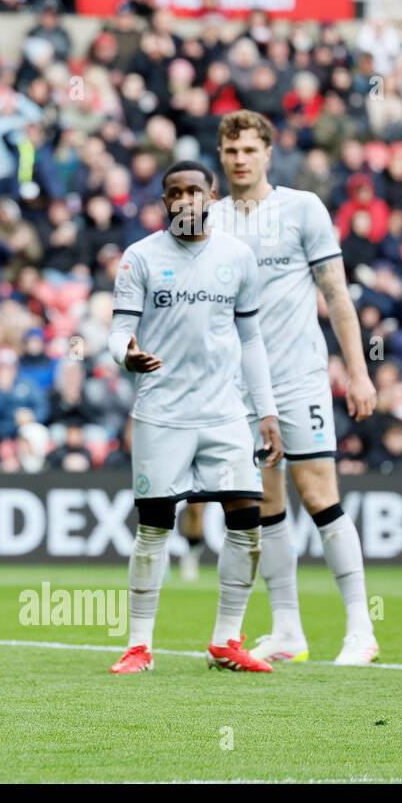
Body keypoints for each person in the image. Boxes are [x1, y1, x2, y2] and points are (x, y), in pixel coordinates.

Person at [209, 110, 379, 666]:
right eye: (231, 151)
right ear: (221, 155)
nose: (240, 160)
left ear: (268, 153)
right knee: (266, 504)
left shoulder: (302, 209)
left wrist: (357, 371)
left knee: (319, 494)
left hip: (299, 375)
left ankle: (360, 628)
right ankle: (288, 629)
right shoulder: (211, 220)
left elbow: (336, 295)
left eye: (250, 150)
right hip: (241, 389)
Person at [107, 160, 283, 675]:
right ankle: (139, 645)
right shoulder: (139, 258)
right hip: (162, 413)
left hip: (225, 414)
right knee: (155, 527)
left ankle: (227, 639)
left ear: (212, 195)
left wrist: (265, 412)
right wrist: (126, 355)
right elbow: (119, 330)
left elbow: (251, 340)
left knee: (246, 521)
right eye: (174, 193)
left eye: (194, 191)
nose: (185, 200)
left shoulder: (237, 257)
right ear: (164, 201)